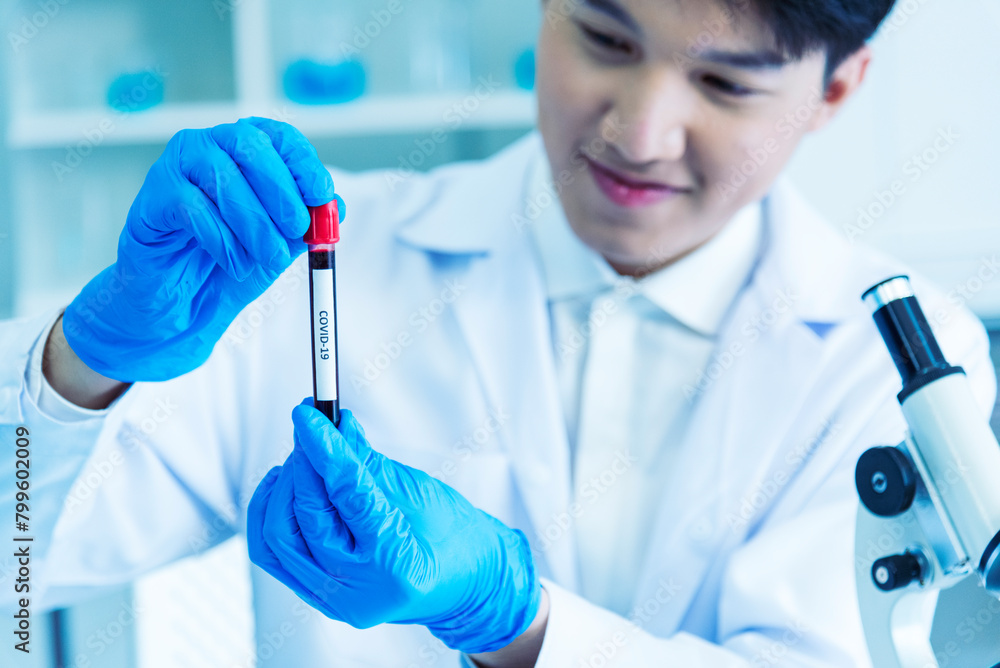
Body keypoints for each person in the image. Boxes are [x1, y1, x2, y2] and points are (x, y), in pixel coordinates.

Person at [1, 0, 996, 665]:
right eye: (605, 39)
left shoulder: (897, 360)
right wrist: (86, 362)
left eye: (726, 85)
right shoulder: (325, 269)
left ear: (835, 90)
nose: (638, 133)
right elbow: (18, 569)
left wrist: (516, 618)